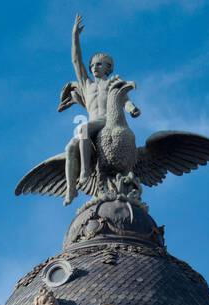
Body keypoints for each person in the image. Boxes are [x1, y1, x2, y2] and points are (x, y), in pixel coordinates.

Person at [61, 14, 139, 204]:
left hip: (108, 121)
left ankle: (85, 171)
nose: (94, 67)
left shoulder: (111, 83)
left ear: (108, 67)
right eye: (92, 65)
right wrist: (74, 36)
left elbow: (123, 98)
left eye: (99, 64)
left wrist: (132, 108)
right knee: (70, 147)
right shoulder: (87, 84)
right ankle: (71, 189)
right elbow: (76, 61)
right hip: (92, 126)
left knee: (83, 129)